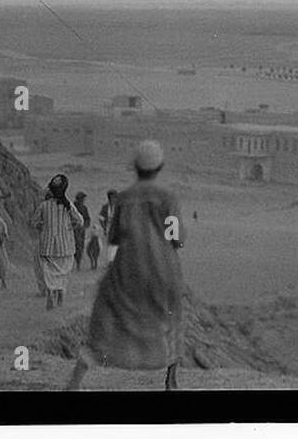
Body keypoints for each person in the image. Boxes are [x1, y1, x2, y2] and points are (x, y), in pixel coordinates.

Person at [66, 141, 185, 391]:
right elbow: (177, 238)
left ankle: (76, 379)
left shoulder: (123, 199)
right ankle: (171, 381)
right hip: (163, 268)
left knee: (105, 316)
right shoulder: (168, 198)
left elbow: (115, 236)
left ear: (136, 167)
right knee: (171, 317)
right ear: (160, 167)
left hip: (128, 268)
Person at [31, 174, 84, 310]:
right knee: (63, 270)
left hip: (47, 244)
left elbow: (34, 222)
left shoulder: (44, 206)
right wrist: (69, 227)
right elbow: (80, 221)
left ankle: (50, 291)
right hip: (65, 244)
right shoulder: (68, 205)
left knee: (48, 270)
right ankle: (60, 292)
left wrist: (44, 227)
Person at [72, 192, 91, 270]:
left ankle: (78, 264)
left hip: (81, 231)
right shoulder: (72, 207)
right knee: (73, 247)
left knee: (80, 247)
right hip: (73, 231)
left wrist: (85, 226)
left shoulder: (84, 208)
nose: (83, 201)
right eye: (82, 199)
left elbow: (87, 219)